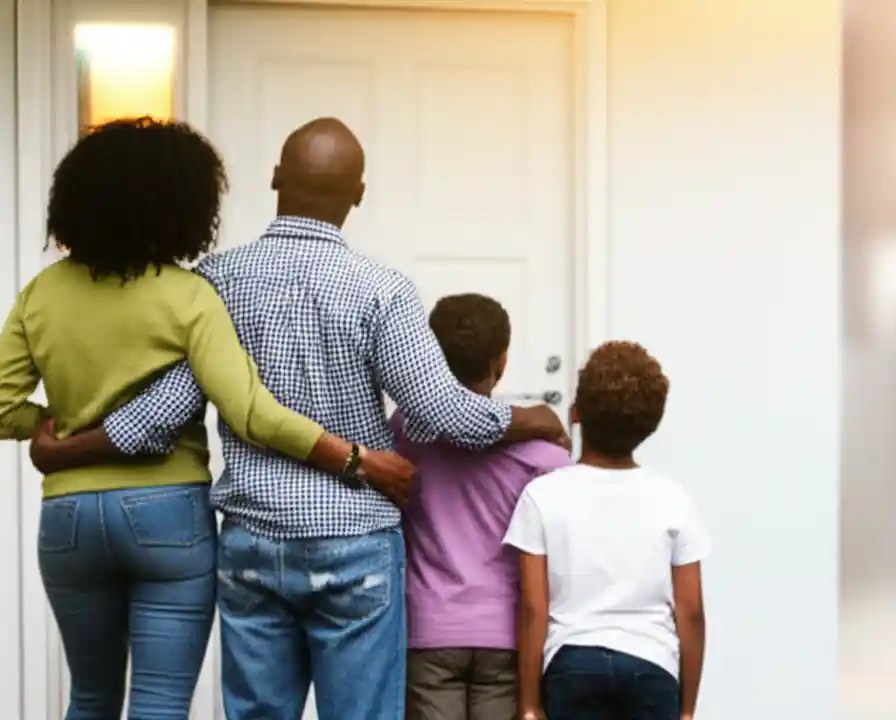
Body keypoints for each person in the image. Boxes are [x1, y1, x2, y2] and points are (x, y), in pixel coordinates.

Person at [31, 117, 568, 720]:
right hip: (355, 541)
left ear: (275, 177)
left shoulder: (217, 282)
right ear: (359, 193)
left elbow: (165, 410)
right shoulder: (381, 290)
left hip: (252, 541)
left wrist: (65, 449)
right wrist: (532, 418)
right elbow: (441, 409)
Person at [0, 117, 414, 720]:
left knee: (88, 697)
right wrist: (354, 457)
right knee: (160, 702)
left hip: (68, 520)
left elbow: (2, 404)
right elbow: (249, 410)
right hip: (166, 517)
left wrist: (49, 429)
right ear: (183, 202)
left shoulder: (42, 293)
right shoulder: (188, 295)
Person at [503, 342, 710, 720]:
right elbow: (691, 611)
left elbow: (534, 606)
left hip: (572, 666)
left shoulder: (541, 495)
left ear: (576, 413)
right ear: (652, 422)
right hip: (652, 666)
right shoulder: (675, 500)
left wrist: (530, 705)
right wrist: (687, 710)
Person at [393, 293, 572, 720]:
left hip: (429, 632)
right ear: (502, 360)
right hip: (505, 637)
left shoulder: (403, 432)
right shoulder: (542, 457)